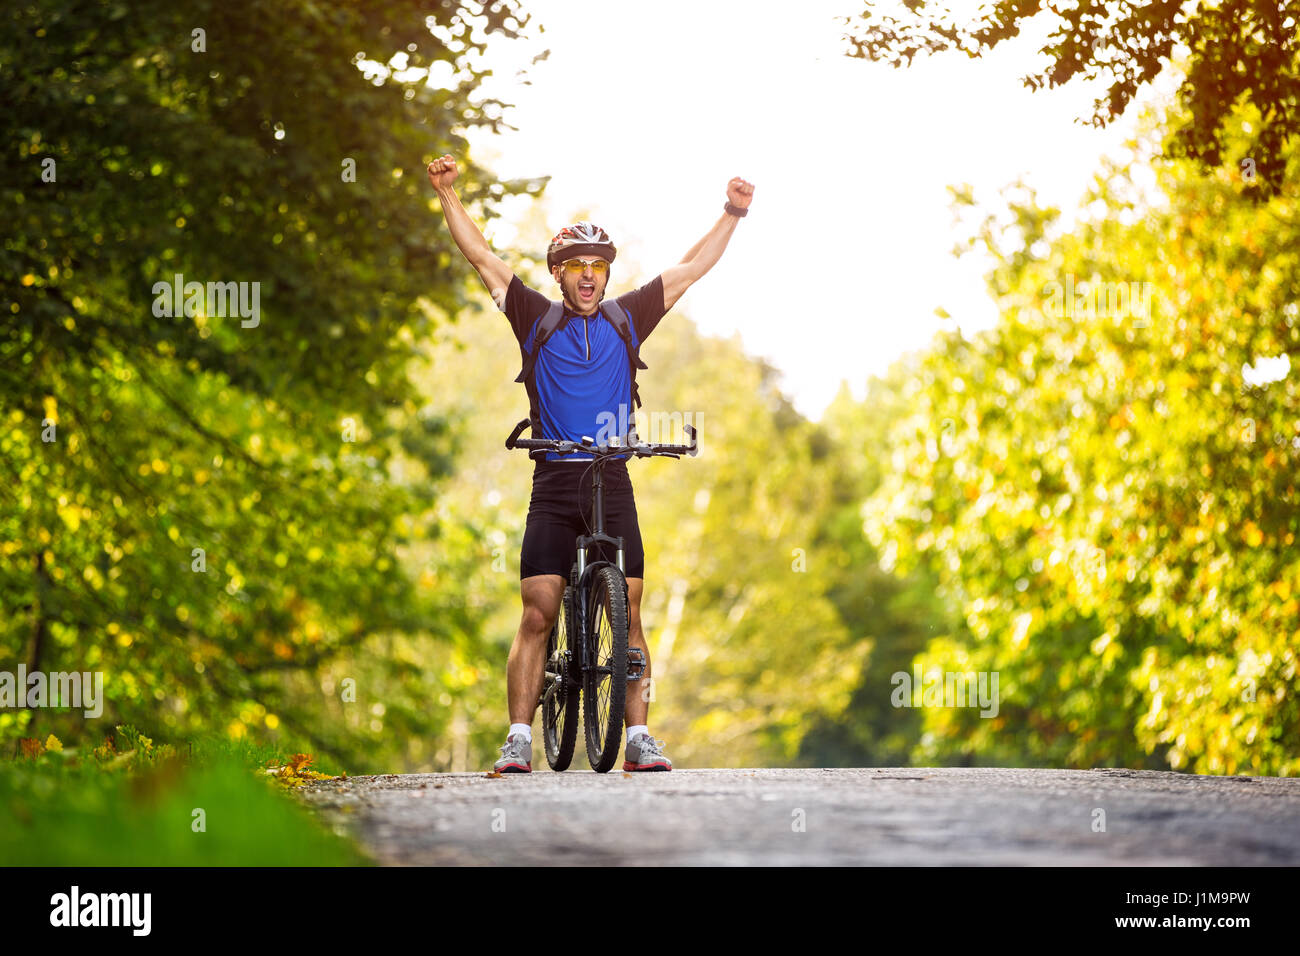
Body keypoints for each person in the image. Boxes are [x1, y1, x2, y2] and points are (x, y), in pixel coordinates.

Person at [427, 152, 753, 771]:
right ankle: (519, 738)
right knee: (538, 610)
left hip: (612, 477)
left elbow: (690, 270)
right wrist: (447, 195)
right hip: (552, 480)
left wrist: (732, 212)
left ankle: (637, 739)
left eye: (597, 267)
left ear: (606, 277)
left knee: (628, 610)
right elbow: (483, 259)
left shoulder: (628, 319)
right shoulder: (534, 317)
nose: (587, 276)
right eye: (575, 266)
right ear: (558, 274)